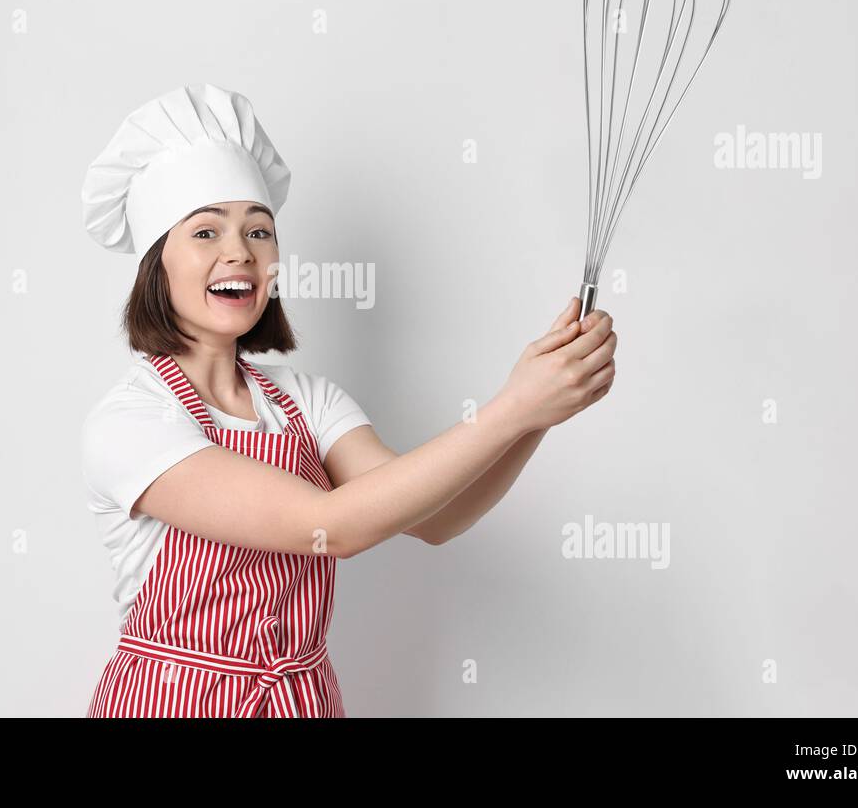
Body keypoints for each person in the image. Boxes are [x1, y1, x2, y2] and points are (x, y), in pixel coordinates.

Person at [79, 83, 616, 717]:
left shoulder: (307, 401)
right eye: (205, 232)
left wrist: (540, 411)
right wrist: (514, 407)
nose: (239, 252)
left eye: (259, 229)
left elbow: (437, 517)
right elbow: (329, 527)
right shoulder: (133, 421)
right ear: (155, 264)